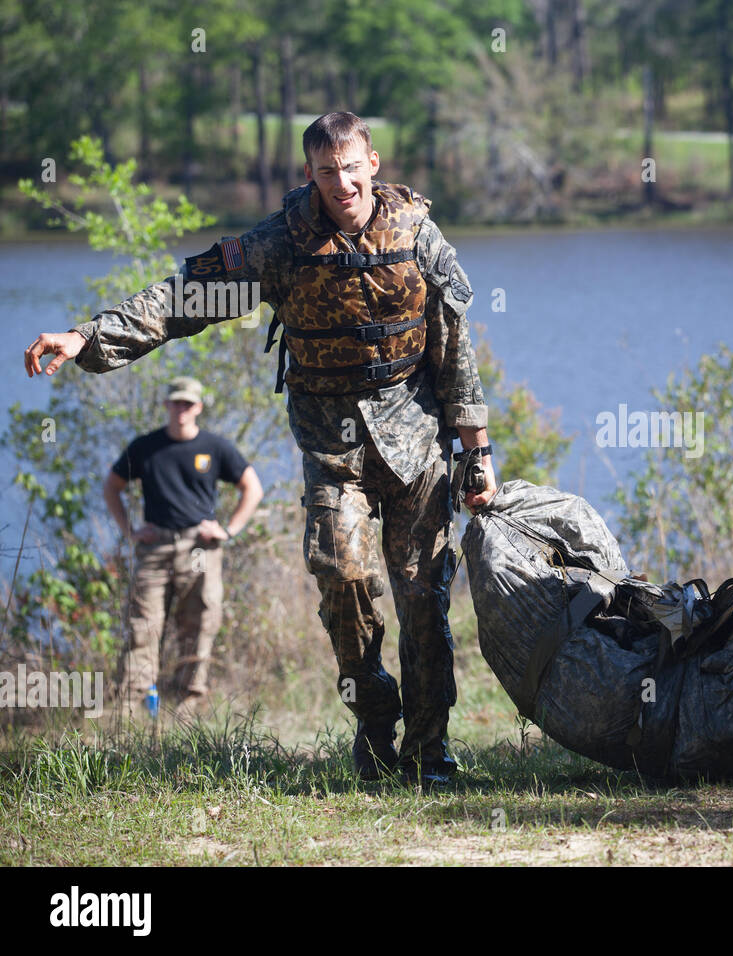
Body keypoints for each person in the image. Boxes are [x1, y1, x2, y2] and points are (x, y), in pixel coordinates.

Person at [25, 111, 498, 790]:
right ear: (310, 173)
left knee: (425, 602)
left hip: (419, 445)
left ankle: (432, 755)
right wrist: (87, 337)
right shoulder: (281, 245)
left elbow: (455, 348)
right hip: (333, 446)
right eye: (327, 172)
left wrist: (478, 454)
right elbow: (183, 297)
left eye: (352, 168)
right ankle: (373, 714)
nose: (343, 184)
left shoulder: (417, 233)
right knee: (341, 577)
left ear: (373, 163)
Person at [105, 375, 262, 720]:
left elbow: (252, 488)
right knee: (143, 625)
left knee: (199, 622)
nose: (181, 410)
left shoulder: (215, 447)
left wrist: (228, 529)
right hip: (156, 546)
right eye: (176, 403)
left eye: (188, 404)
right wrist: (130, 530)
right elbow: (111, 486)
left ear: (198, 408)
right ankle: (132, 707)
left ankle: (188, 703)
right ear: (166, 405)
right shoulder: (145, 447)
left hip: (199, 547)